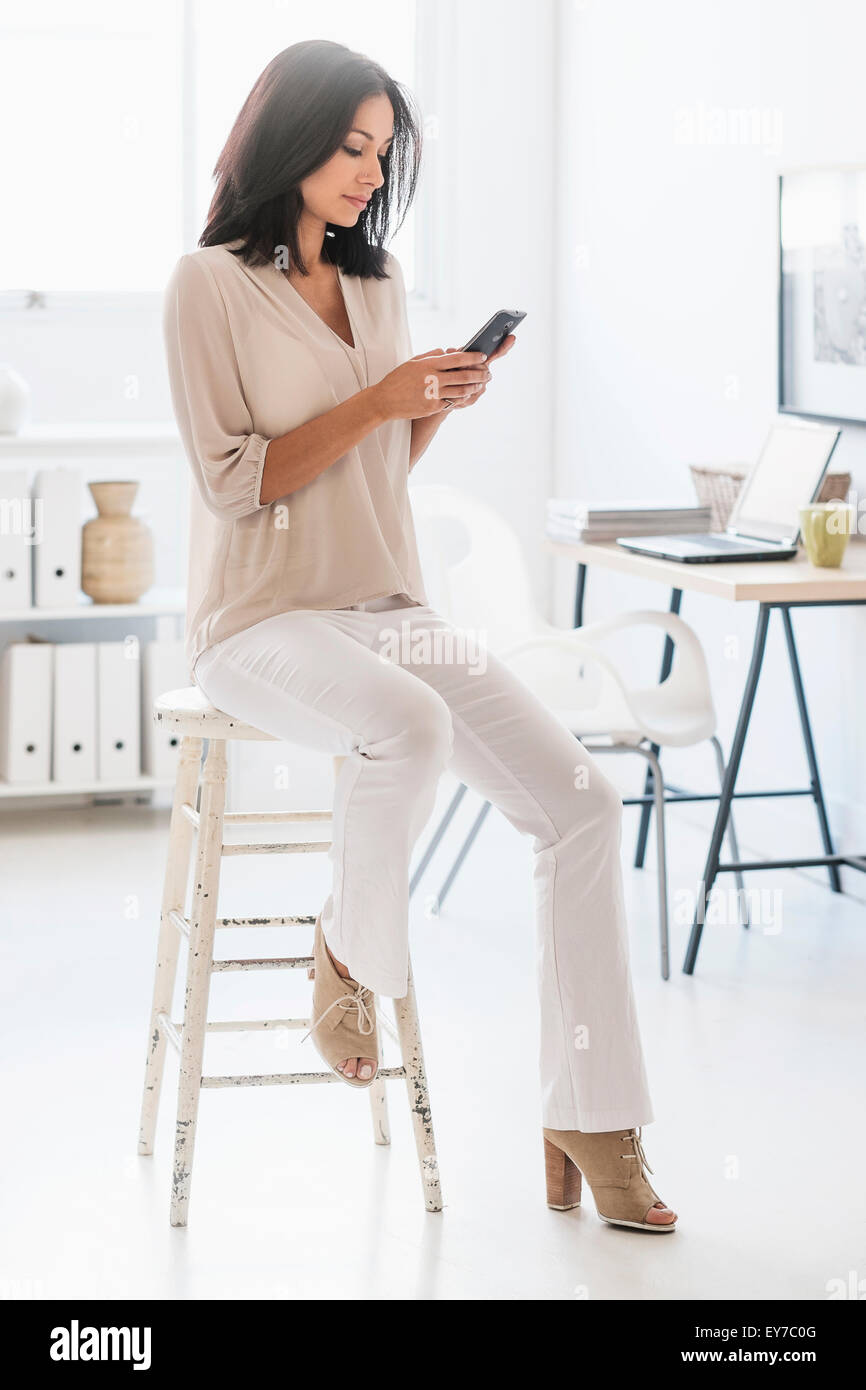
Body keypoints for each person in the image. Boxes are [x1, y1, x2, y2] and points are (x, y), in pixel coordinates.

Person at [163, 38, 676, 1232]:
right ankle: (348, 955)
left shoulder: (377, 282)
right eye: (348, 146)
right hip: (259, 615)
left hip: (387, 603)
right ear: (286, 137)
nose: (364, 172)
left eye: (381, 153)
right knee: (405, 724)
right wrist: (380, 399)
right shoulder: (208, 286)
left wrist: (425, 406)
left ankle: (593, 1116)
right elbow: (238, 483)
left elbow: (376, 466)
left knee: (581, 801)